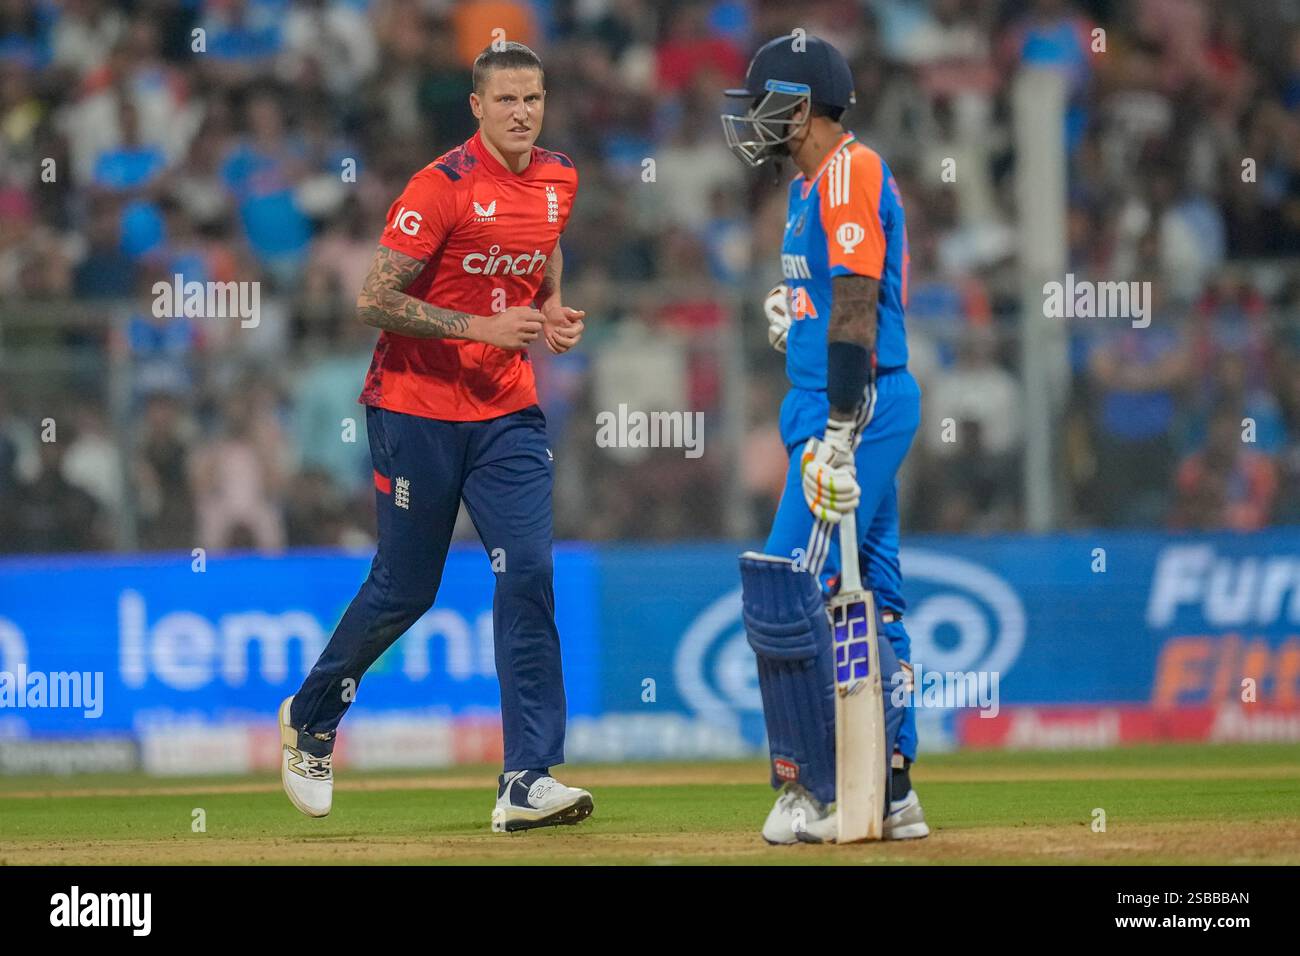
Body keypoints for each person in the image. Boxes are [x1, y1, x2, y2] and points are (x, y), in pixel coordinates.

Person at [278, 41, 593, 834]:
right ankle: (312, 719)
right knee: (407, 587)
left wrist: (552, 304)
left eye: (535, 99)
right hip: (416, 407)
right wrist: (483, 322)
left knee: (527, 570)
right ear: (477, 107)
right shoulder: (440, 187)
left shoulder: (559, 178)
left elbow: (543, 240)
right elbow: (373, 297)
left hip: (506, 412)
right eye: (508, 100)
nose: (523, 112)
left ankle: (526, 777)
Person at [721, 34, 928, 843]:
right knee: (873, 595)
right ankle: (892, 785)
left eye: (765, 101)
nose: (752, 119)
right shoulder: (814, 183)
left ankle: (809, 785)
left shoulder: (847, 170)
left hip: (854, 404)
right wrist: (794, 319)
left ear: (801, 107)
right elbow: (829, 300)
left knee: (783, 585)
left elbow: (859, 300)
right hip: (844, 395)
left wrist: (842, 424)